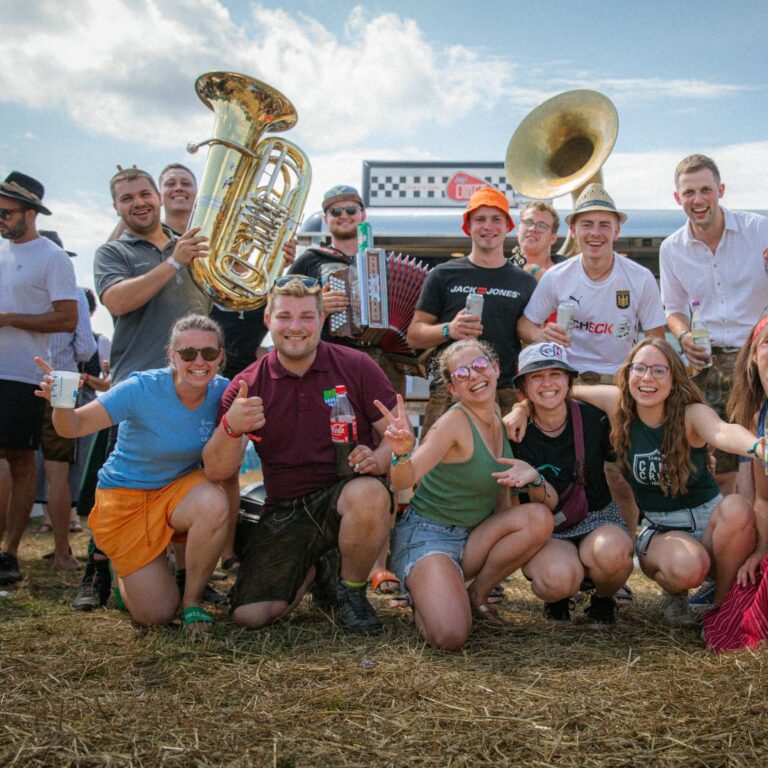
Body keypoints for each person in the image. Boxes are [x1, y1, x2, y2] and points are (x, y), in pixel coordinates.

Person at [202, 275, 397, 634]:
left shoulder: (356, 366)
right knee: (251, 616)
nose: (296, 327)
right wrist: (232, 426)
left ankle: (351, 591)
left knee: (369, 492)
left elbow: (396, 438)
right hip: (285, 509)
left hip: (345, 495)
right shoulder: (246, 384)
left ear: (322, 319)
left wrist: (380, 457)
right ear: (268, 320)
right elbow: (217, 470)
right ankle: (321, 563)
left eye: (307, 316)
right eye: (285, 316)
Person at [36, 314, 230, 632]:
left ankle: (193, 600)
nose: (199, 361)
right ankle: (121, 572)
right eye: (187, 353)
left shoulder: (223, 392)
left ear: (220, 356)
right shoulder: (140, 388)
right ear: (171, 355)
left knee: (215, 501)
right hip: (125, 498)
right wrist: (60, 398)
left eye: (208, 353)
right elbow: (72, 427)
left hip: (178, 492)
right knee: (156, 615)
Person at [73, 166, 211, 610]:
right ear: (117, 207)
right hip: (137, 387)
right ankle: (96, 571)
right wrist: (174, 262)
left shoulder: (189, 245)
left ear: (157, 197)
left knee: (191, 478)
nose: (138, 202)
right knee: (119, 479)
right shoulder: (113, 252)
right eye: (126, 198)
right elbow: (116, 300)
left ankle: (192, 574)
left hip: (191, 385)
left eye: (143, 194)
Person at [561, 338, 762, 623]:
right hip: (662, 530)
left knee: (739, 508)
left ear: (673, 378)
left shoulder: (690, 414)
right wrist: (520, 409)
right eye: (639, 368)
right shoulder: (618, 405)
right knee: (689, 566)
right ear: (628, 372)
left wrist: (759, 447)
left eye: (658, 370)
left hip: (712, 525)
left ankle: (720, 609)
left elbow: (721, 431)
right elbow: (561, 390)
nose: (647, 378)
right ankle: (676, 592)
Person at [377, 339, 554, 650]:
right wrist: (401, 454)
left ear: (495, 369)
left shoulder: (497, 412)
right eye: (461, 374)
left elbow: (501, 493)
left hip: (472, 536)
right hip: (429, 537)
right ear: (453, 390)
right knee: (451, 637)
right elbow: (405, 477)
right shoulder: (452, 424)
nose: (474, 375)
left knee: (538, 517)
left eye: (480, 366)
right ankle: (424, 596)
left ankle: (476, 593)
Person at [517, 183, 667, 545]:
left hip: (620, 383)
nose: (595, 233)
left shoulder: (638, 277)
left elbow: (657, 338)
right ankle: (567, 547)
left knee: (621, 475)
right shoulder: (557, 276)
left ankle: (621, 555)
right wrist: (543, 336)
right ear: (573, 230)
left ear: (617, 230)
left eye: (604, 224)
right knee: (573, 471)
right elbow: (525, 324)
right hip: (569, 384)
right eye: (587, 224)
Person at [659, 154, 768, 496]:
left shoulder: (759, 229)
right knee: (719, 465)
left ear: (720, 190)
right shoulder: (671, 248)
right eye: (689, 192)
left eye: (706, 189)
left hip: (757, 358)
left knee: (761, 457)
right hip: (707, 365)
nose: (698, 199)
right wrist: (683, 335)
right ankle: (734, 539)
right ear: (678, 198)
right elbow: (672, 310)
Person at [508, 342, 634, 625]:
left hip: (596, 516)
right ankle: (558, 597)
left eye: (556, 374)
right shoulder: (515, 431)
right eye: (536, 377)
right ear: (524, 388)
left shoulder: (593, 418)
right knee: (558, 579)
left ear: (569, 381)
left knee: (613, 554)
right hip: (547, 528)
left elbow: (618, 397)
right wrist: (522, 408)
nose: (547, 383)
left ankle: (602, 599)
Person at [407, 186, 536, 437]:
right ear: (468, 226)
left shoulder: (525, 282)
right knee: (436, 470)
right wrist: (449, 330)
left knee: (509, 467)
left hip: (505, 390)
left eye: (496, 219)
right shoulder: (442, 274)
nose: (488, 226)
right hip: (451, 388)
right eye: (480, 219)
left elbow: (529, 334)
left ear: (508, 226)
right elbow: (414, 334)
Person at [0, 172, 78, 585]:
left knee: (18, 459)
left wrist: (11, 319)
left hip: (22, 373)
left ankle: (9, 552)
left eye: (6, 211)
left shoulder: (52, 256)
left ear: (30, 213)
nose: (0, 218)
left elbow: (68, 317)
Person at [703, 317, 768, 650]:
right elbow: (764, 500)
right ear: (753, 359)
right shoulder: (758, 417)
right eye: (766, 344)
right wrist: (760, 548)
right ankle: (721, 600)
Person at [34, 231, 97, 569]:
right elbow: (86, 348)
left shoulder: (13, 289)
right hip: (59, 382)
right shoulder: (72, 293)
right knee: (58, 470)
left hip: (16, 378)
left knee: (16, 464)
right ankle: (62, 552)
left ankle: (9, 551)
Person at [509, 201, 564, 280]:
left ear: (553, 238)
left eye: (542, 226)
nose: (533, 229)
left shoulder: (570, 272)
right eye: (528, 222)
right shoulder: (500, 271)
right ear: (518, 230)